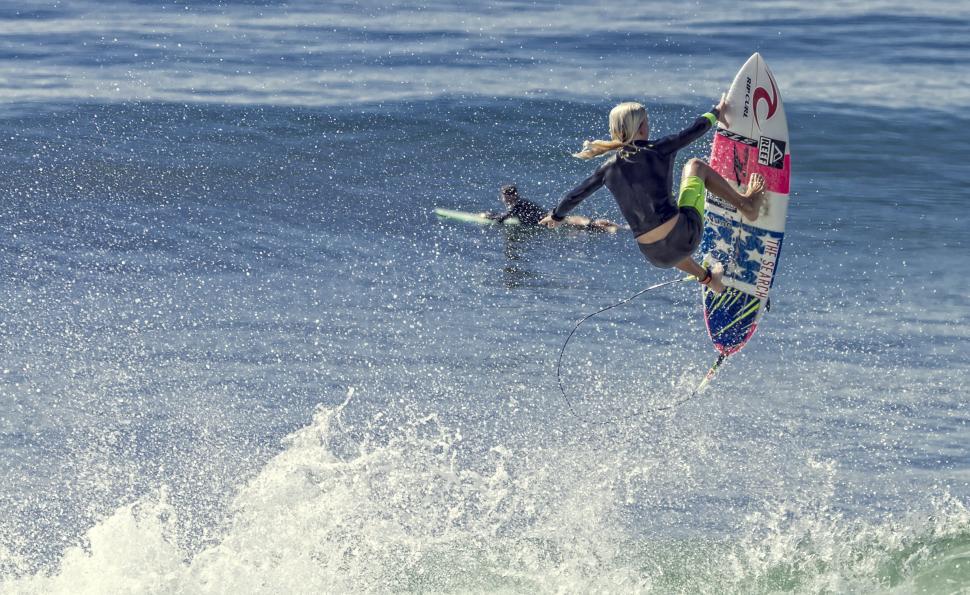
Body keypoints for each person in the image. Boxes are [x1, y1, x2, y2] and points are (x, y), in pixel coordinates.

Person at [538, 96, 765, 293]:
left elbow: (575, 195)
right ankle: (746, 204)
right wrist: (716, 112)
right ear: (641, 128)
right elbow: (693, 131)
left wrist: (556, 216)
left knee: (661, 234)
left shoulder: (607, 169)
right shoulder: (659, 149)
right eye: (646, 122)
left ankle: (708, 279)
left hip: (655, 256)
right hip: (684, 237)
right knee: (696, 166)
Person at [486, 185, 622, 232]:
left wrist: (489, 217)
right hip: (550, 216)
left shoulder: (517, 205)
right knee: (587, 223)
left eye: (505, 195)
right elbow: (507, 214)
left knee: (587, 226)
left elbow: (503, 218)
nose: (504, 198)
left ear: (511, 196)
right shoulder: (521, 203)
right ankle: (618, 227)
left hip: (549, 220)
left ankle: (611, 228)